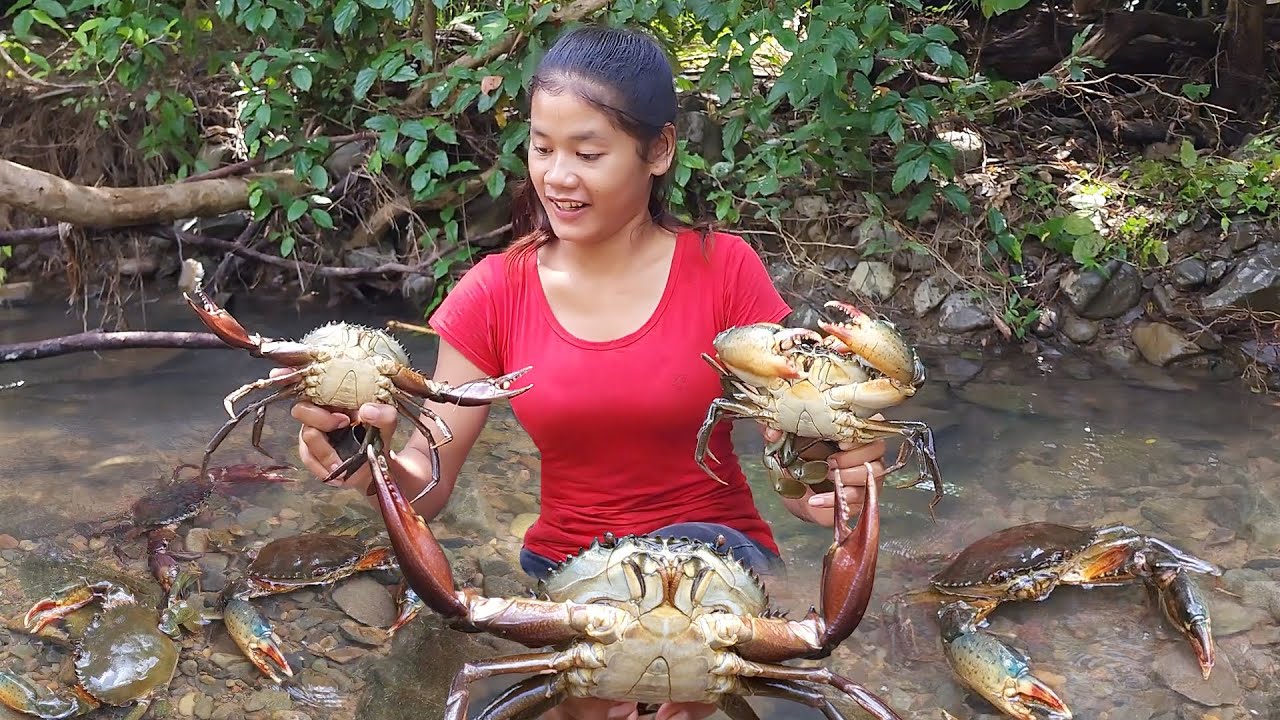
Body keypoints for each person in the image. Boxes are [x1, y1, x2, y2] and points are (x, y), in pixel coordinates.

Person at [288, 22, 886, 720]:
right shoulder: (493, 292)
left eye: (588, 152)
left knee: (695, 693)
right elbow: (430, 478)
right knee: (588, 695)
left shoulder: (725, 272)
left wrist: (830, 488)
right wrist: (373, 466)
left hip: (722, 564)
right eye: (542, 148)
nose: (557, 175)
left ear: (658, 150)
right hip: (575, 576)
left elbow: (791, 465)